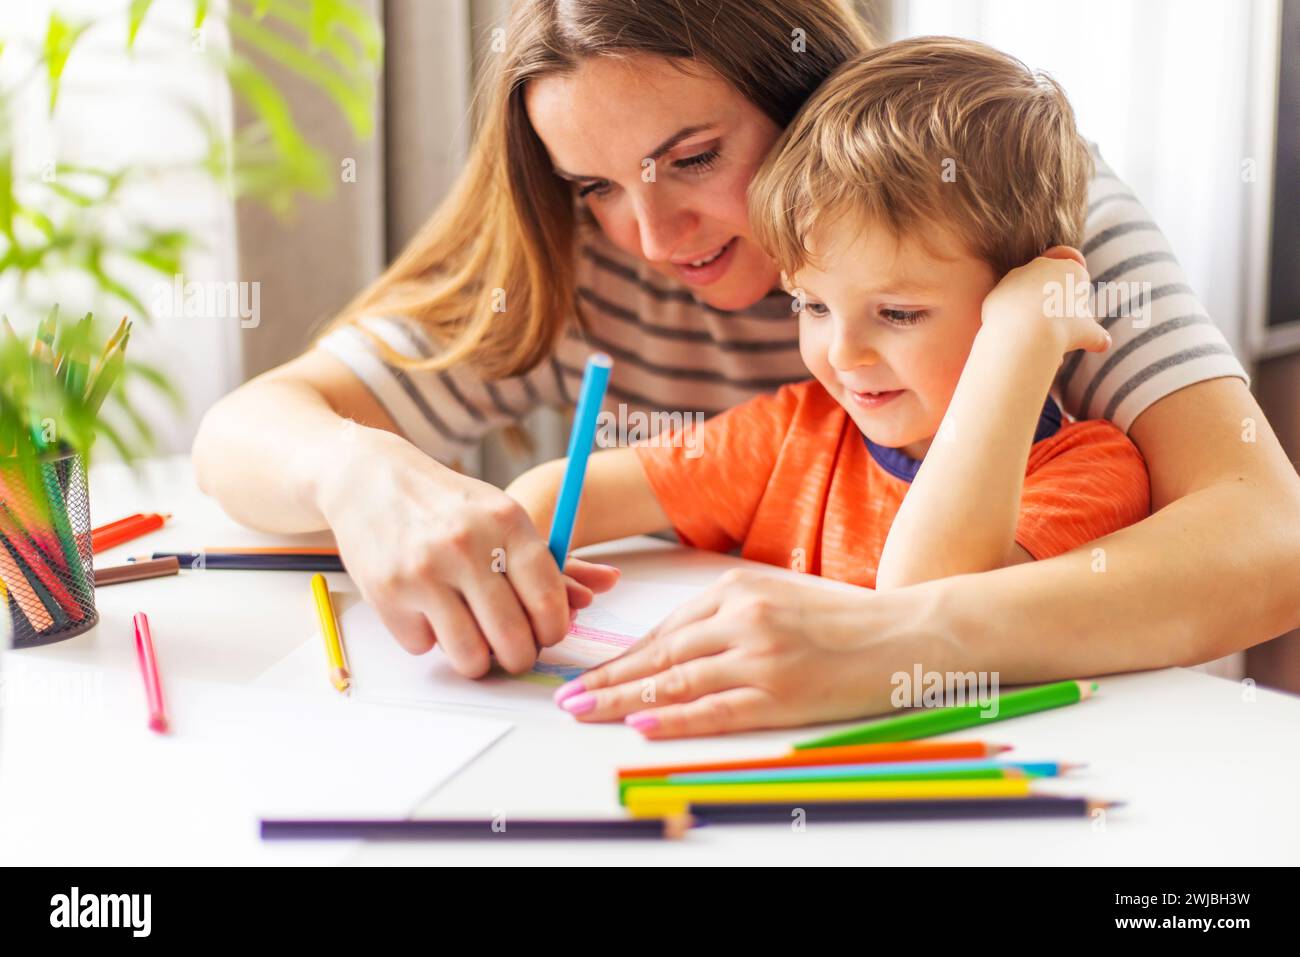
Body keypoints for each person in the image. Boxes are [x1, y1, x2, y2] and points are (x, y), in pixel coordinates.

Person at [192, 0, 1300, 737]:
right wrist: (360, 472)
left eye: (693, 160)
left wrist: (900, 642)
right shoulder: (576, 254)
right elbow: (242, 433)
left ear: (806, 96)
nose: (652, 234)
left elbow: (1265, 536)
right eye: (595, 185)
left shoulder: (1015, 211)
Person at [505, 37, 1151, 729]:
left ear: (1022, 292)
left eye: (898, 312)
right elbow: (560, 495)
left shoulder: (1091, 476)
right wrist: (513, 562)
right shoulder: (795, 430)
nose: (842, 352)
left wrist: (1022, 338)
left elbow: (923, 595)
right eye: (812, 305)